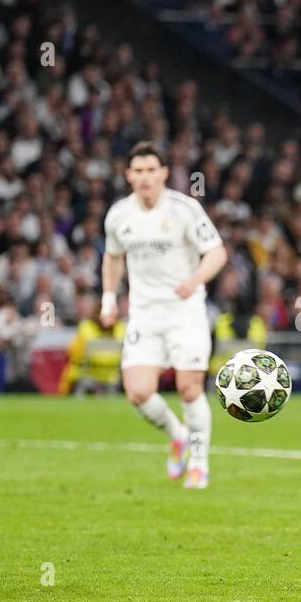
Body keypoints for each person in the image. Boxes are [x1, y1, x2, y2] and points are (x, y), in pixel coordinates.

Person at [100, 142, 227, 489]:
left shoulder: (185, 209)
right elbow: (112, 257)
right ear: (128, 175)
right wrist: (108, 298)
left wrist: (195, 280)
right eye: (137, 171)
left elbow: (216, 252)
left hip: (185, 311)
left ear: (164, 174)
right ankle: (178, 435)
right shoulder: (119, 215)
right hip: (143, 313)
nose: (144, 177)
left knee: (189, 388)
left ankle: (199, 462)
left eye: (151, 170)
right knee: (138, 392)